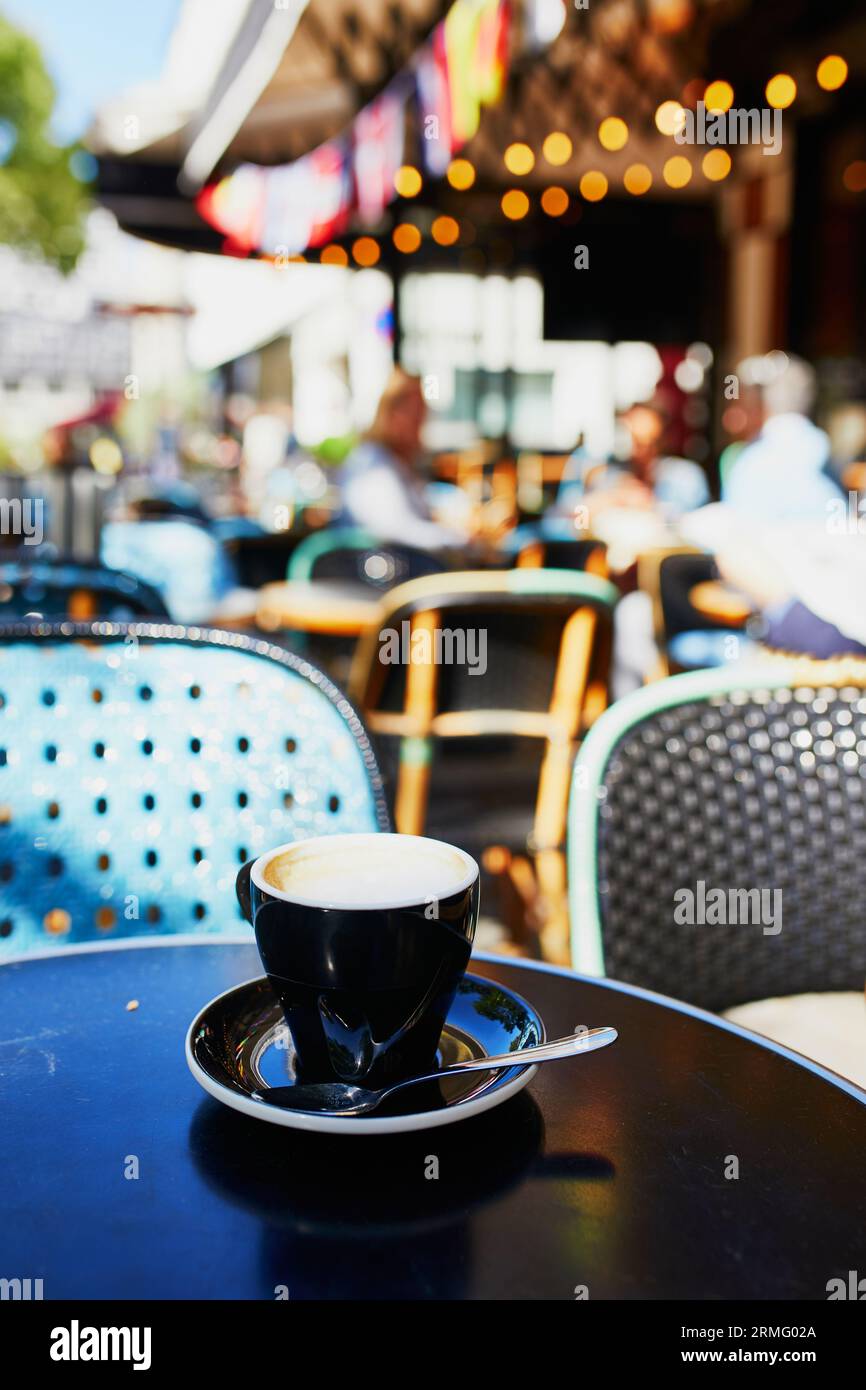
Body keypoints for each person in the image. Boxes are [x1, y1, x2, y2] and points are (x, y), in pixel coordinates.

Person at [338, 370, 466, 550]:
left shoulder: (398, 462)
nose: (419, 424)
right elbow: (396, 531)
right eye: (413, 414)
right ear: (390, 414)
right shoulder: (373, 464)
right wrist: (460, 540)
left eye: (422, 414)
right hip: (376, 572)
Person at [722, 353, 843, 522]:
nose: (730, 419)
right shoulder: (823, 449)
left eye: (742, 404)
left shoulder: (750, 462)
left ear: (762, 404)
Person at [556, 399, 709, 523]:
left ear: (663, 441)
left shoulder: (683, 476)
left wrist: (650, 506)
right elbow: (564, 517)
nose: (638, 451)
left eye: (648, 443)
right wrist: (612, 499)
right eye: (634, 440)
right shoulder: (602, 472)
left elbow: (697, 524)